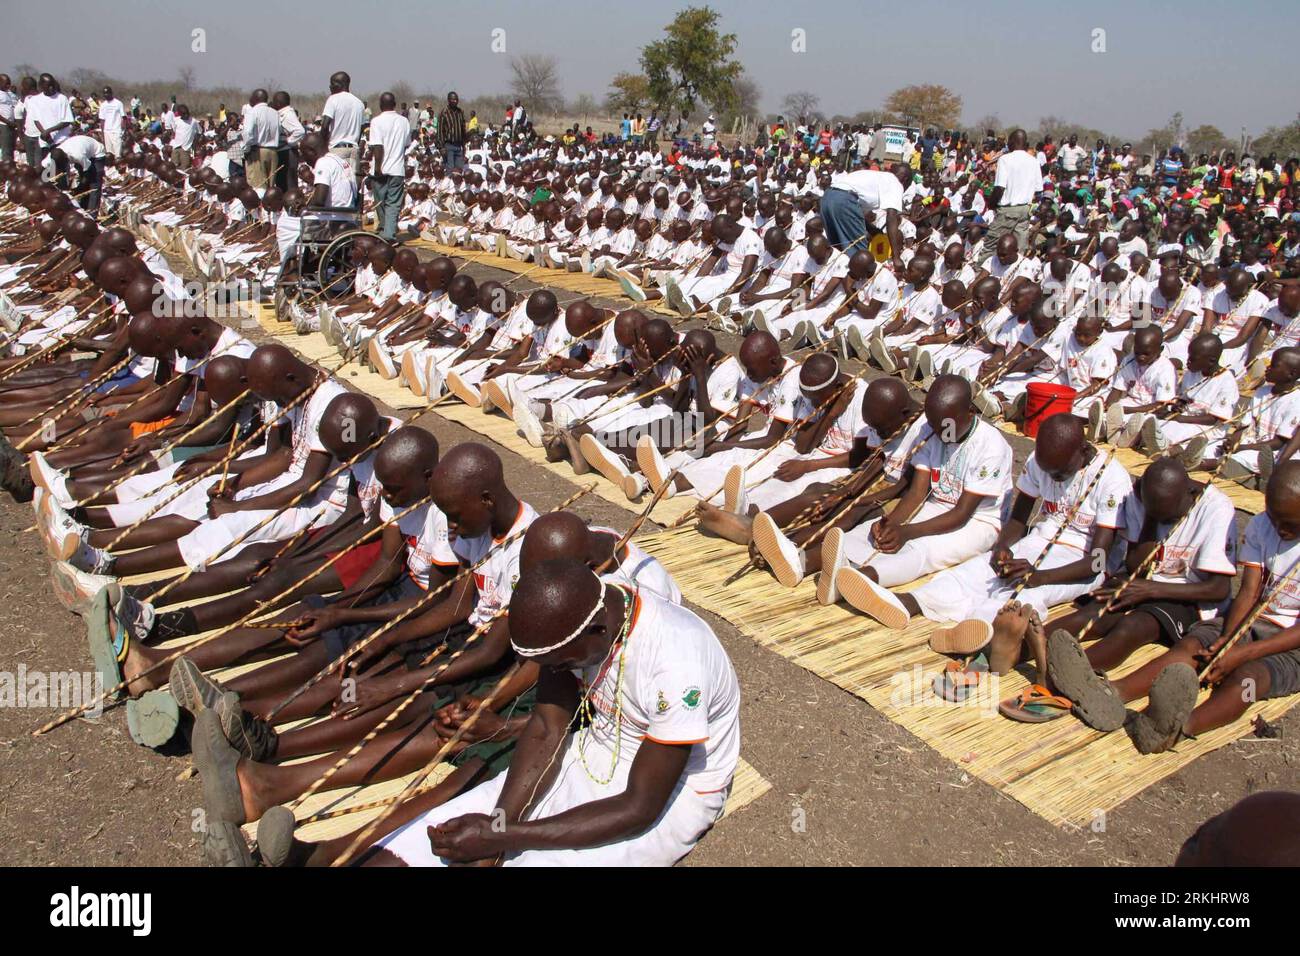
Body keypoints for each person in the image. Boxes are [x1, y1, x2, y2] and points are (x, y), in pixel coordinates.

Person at [367, 556, 739, 866]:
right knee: (419, 846)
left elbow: (638, 807)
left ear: (596, 630)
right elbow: (547, 727)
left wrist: (502, 836)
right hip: (593, 749)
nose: (556, 671)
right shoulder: (574, 623)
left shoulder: (677, 660)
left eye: (560, 664)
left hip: (670, 791)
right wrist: (498, 828)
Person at [976, 129, 1042, 265]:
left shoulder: (1005, 159)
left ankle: (978, 276)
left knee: (991, 247)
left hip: (1007, 210)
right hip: (1025, 211)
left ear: (1013, 142)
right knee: (1018, 249)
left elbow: (999, 187)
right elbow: (1039, 191)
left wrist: (992, 205)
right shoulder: (1034, 161)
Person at [819, 161, 910, 260]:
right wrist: (896, 258)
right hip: (844, 201)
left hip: (827, 197)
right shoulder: (896, 183)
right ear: (905, 180)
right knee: (860, 256)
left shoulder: (876, 177)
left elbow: (855, 215)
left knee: (836, 250)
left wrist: (873, 230)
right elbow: (891, 218)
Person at [367, 92, 410, 240]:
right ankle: (388, 231)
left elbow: (378, 147)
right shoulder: (404, 121)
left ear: (380, 105)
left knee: (380, 202)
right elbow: (406, 145)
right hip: (397, 169)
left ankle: (387, 232)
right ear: (394, 104)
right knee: (393, 204)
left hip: (381, 169)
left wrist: (378, 167)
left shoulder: (376, 121)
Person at [320, 71, 365, 173]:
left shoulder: (333, 99)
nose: (330, 86)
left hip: (336, 150)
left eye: (332, 83)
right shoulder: (359, 103)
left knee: (336, 184)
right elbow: (361, 129)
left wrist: (322, 148)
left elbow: (325, 125)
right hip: (354, 150)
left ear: (341, 84)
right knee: (352, 185)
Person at [241, 89, 280, 192]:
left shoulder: (252, 112)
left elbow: (247, 133)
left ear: (255, 98)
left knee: (258, 187)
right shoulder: (275, 113)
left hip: (257, 152)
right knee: (270, 187)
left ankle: (260, 207)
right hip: (273, 152)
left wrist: (246, 149)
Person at [437, 91, 468, 170]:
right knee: (450, 169)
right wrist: (441, 147)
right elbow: (440, 131)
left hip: (458, 146)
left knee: (459, 170)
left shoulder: (460, 112)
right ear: (448, 100)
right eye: (453, 99)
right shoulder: (444, 113)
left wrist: (464, 145)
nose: (455, 101)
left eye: (456, 99)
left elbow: (463, 128)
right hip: (448, 146)